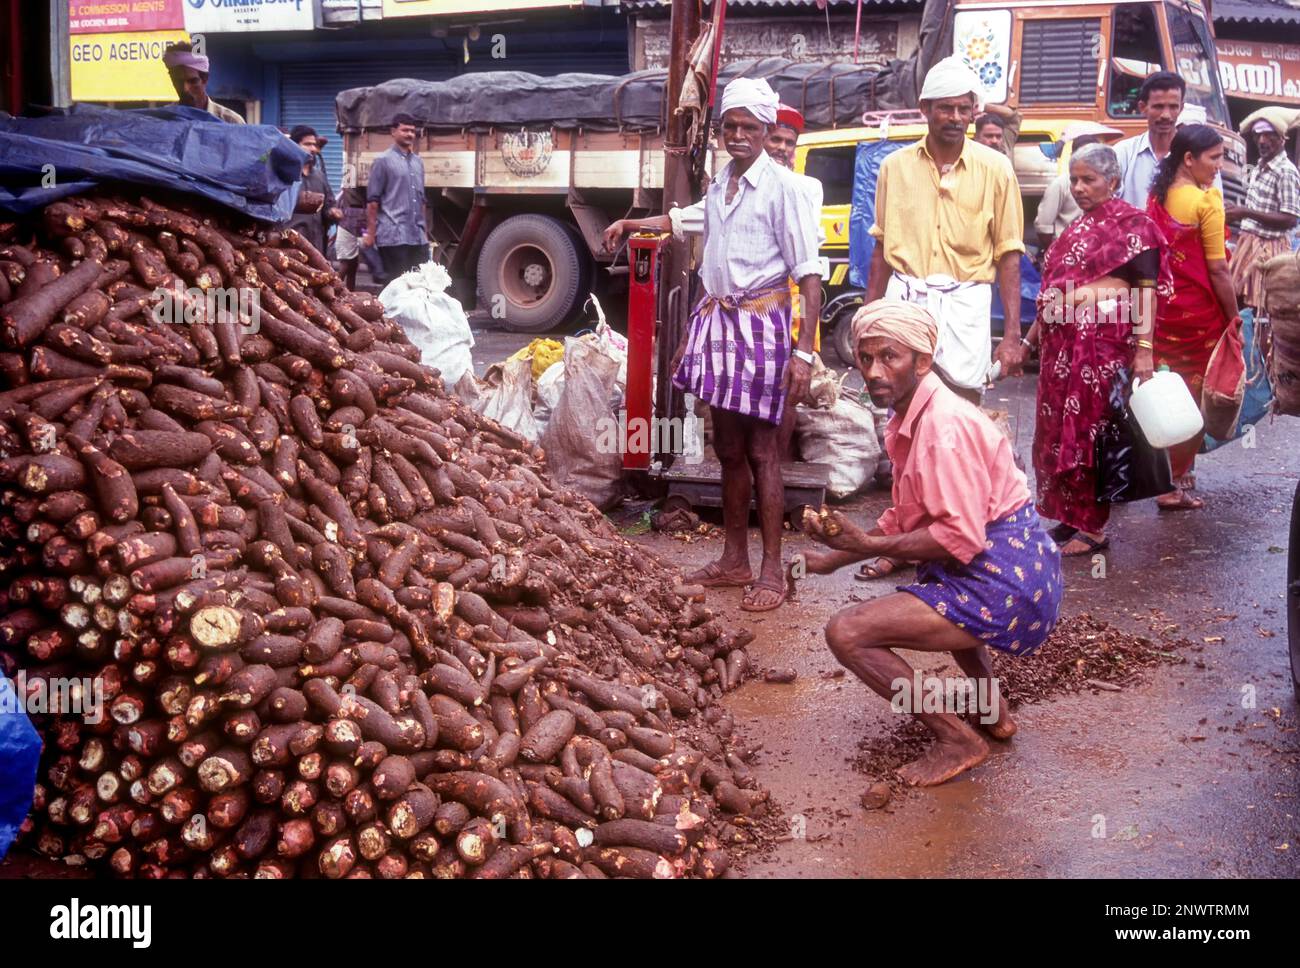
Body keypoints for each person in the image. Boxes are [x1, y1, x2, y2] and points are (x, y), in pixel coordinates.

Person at [801, 299, 1062, 786]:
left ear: (923, 361)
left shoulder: (942, 429)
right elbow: (905, 516)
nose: (874, 371)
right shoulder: (912, 417)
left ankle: (956, 739)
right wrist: (831, 558)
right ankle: (994, 712)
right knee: (939, 576)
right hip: (1010, 566)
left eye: (889, 357)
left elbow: (957, 537)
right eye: (865, 358)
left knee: (847, 632)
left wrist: (862, 545)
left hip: (1009, 583)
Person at [604, 78, 822, 611]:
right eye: (731, 126)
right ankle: (733, 559)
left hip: (764, 327)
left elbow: (811, 279)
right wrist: (634, 222)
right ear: (721, 130)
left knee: (763, 452)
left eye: (750, 126)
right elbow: (686, 222)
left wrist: (804, 353)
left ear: (770, 131)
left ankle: (772, 571)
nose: (740, 135)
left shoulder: (785, 189)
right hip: (720, 326)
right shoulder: (722, 183)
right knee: (727, 449)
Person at [1023, 144, 1170, 555]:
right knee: (1058, 435)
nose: (1079, 188)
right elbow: (1057, 292)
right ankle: (1070, 519)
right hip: (1062, 350)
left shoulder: (1134, 227)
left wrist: (1144, 350)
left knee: (1091, 433)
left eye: (1089, 180)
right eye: (1074, 180)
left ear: (1114, 181)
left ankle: (1094, 528)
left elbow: (1146, 291)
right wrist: (1031, 341)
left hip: (1101, 351)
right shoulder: (1080, 228)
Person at [865, 56, 1026, 409]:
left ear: (973, 112)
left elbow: (1009, 256)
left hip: (965, 305)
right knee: (902, 405)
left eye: (963, 109)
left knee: (962, 405)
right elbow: (881, 249)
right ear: (925, 108)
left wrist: (1012, 334)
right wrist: (868, 316)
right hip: (905, 299)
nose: (955, 118)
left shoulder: (996, 169)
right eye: (946, 108)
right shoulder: (894, 167)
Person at [1148, 124, 1240, 509]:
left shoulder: (1158, 195)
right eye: (1214, 158)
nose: (1219, 166)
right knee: (1193, 396)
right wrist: (1234, 317)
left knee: (1164, 391)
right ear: (1190, 159)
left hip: (1163, 309)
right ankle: (1172, 483)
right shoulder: (1208, 202)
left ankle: (1166, 474)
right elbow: (1218, 271)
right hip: (1199, 313)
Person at [1112, 72, 1220, 210]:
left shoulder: (1200, 158)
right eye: (1158, 107)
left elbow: (1215, 210)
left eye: (1173, 107)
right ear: (1142, 107)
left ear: (1181, 108)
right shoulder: (1123, 153)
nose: (1166, 115)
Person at [1226, 117, 1300, 317]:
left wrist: (1245, 213)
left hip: (1270, 249)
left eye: (1269, 135)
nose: (1262, 140)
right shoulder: (1259, 166)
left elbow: (1290, 218)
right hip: (1248, 244)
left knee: (1262, 309)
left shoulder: (1286, 171)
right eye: (1258, 135)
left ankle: (1260, 348)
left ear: (1282, 138)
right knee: (1235, 301)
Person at [363, 114, 430, 280]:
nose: (410, 135)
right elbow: (372, 201)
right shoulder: (382, 161)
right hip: (393, 235)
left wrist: (425, 233)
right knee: (396, 285)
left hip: (417, 236)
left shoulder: (418, 162)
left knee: (420, 285)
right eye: (405, 130)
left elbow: (421, 199)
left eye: (413, 131)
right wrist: (371, 235)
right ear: (393, 132)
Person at [285, 126, 342, 257]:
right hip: (291, 244)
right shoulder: (285, 174)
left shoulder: (319, 176)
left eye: (314, 145)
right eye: (307, 144)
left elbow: (329, 204)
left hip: (316, 246)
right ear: (294, 145)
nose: (313, 149)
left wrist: (333, 212)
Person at [162, 42, 244, 124]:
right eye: (178, 81)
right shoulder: (162, 119)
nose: (185, 89)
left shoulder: (231, 122)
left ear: (205, 79)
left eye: (193, 81)